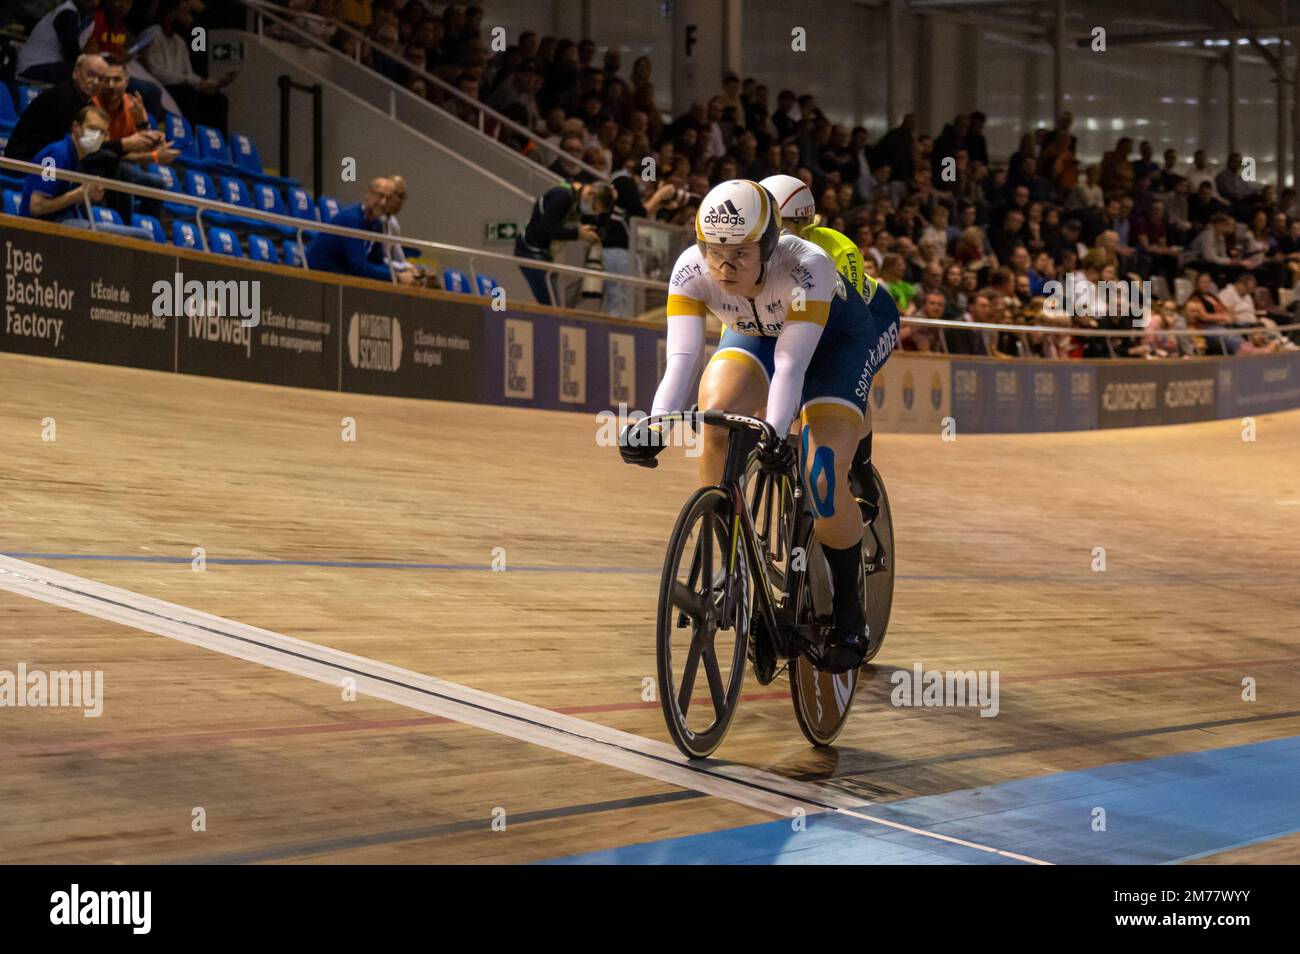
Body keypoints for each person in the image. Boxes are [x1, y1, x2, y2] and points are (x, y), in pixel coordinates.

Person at [619, 180, 901, 673]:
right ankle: (726, 556)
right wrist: (654, 422)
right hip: (760, 334)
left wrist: (774, 430)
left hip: (834, 343)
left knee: (820, 474)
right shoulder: (690, 268)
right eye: (715, 252)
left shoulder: (810, 263)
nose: (725, 267)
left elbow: (792, 367)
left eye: (741, 254)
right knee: (717, 410)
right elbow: (682, 359)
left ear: (770, 245)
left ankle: (851, 612)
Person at [19, 104, 154, 240]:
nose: (97, 136)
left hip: (67, 222)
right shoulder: (56, 155)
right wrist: (79, 194)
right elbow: (36, 207)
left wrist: (89, 194)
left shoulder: (81, 158)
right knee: (142, 237)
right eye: (92, 128)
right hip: (41, 229)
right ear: (76, 128)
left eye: (102, 132)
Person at [759, 174, 871, 301]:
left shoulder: (842, 250)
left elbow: (852, 307)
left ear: (803, 221)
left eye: (774, 223)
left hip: (875, 314)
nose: (766, 231)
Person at [140, 0, 235, 135]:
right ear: (170, 13)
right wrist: (191, 82)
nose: (190, 20)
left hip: (180, 86)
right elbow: (156, 72)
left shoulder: (180, 42)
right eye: (185, 14)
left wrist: (211, 83)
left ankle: (216, 147)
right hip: (161, 87)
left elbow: (188, 73)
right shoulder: (152, 35)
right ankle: (186, 140)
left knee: (218, 100)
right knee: (189, 95)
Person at [514, 178, 612, 306]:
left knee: (554, 306)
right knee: (551, 307)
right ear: (590, 194)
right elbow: (544, 230)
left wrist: (578, 231)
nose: (591, 211)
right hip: (531, 252)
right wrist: (577, 234)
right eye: (593, 207)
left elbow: (559, 225)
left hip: (543, 254)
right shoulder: (562, 196)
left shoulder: (574, 199)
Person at [306, 177, 416, 284]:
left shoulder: (376, 224)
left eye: (388, 199)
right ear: (367, 194)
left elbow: (377, 262)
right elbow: (358, 267)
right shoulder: (352, 219)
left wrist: (402, 272)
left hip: (339, 276)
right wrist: (397, 276)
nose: (383, 203)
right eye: (380, 195)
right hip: (314, 277)